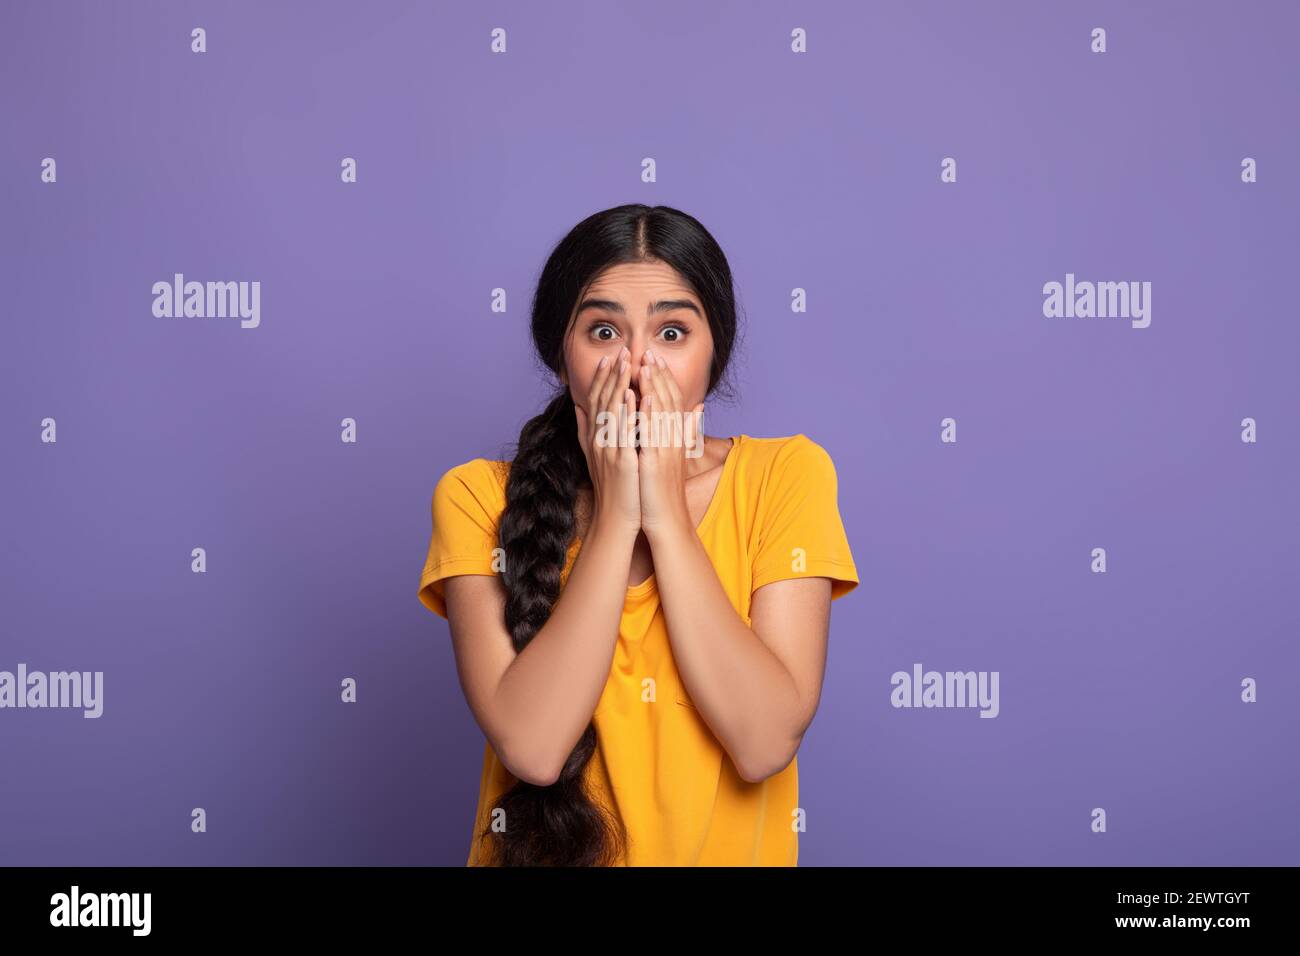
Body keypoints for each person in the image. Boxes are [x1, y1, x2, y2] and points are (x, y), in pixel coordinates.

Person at [417, 204, 859, 865]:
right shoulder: (476, 497)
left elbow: (764, 741)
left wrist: (667, 513)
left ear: (716, 352)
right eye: (602, 330)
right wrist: (620, 510)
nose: (635, 363)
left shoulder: (787, 477)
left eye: (673, 333)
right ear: (560, 353)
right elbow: (535, 750)